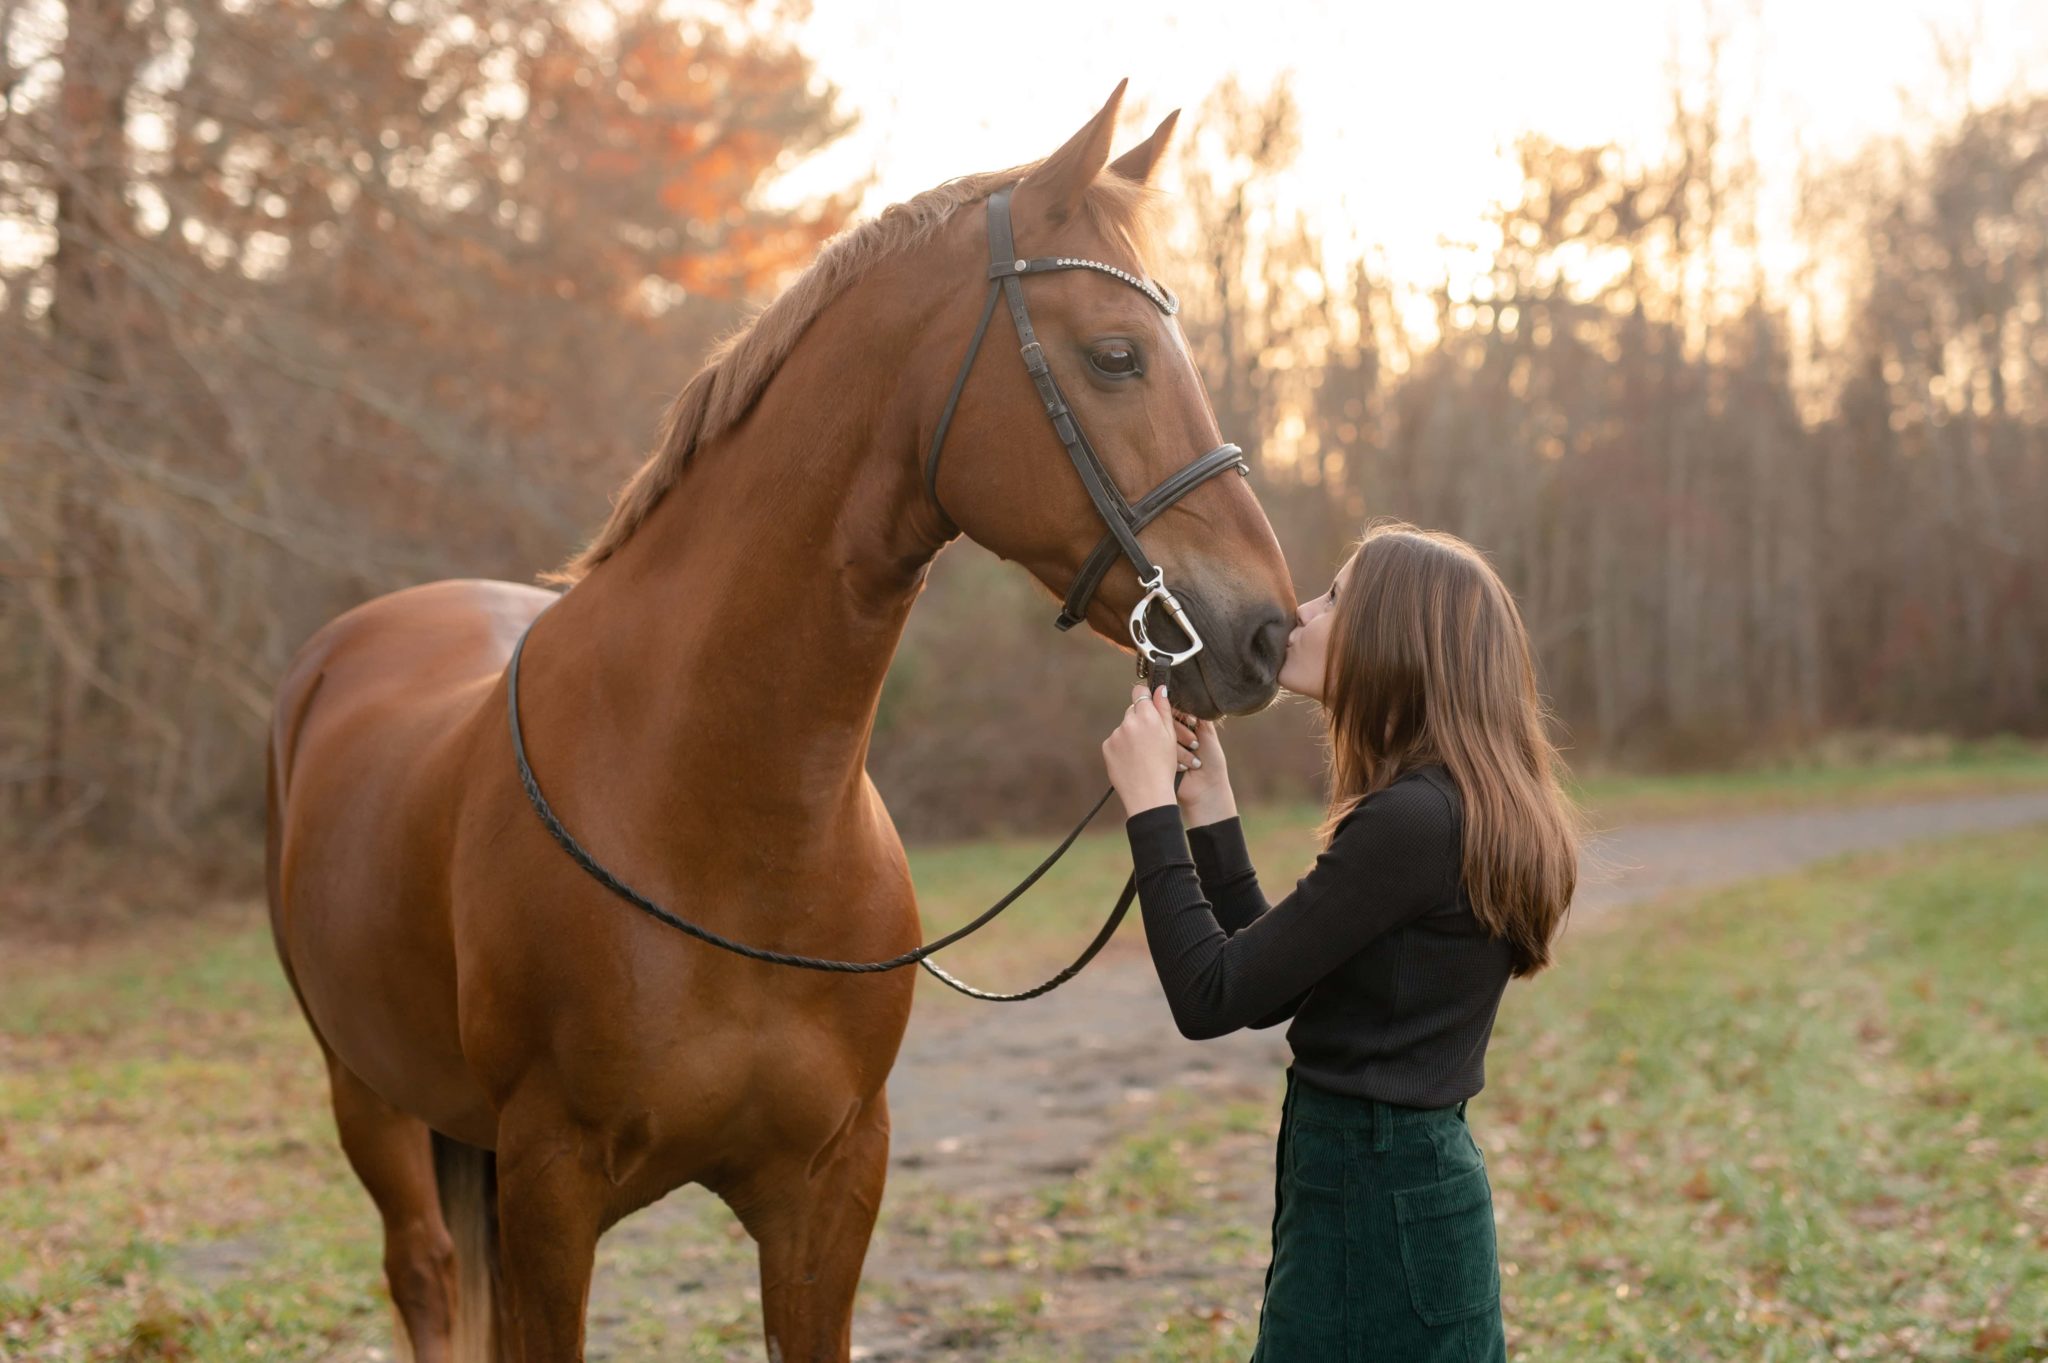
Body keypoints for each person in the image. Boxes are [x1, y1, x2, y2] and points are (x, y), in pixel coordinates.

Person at [1100, 519, 1581, 1362]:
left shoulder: (1413, 821)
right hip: (1403, 1195)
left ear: (1396, 638)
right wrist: (1210, 809)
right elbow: (1270, 987)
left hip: (1373, 1206)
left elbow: (1209, 996)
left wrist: (1148, 809)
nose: (1302, 611)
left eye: (1334, 598)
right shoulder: (1444, 808)